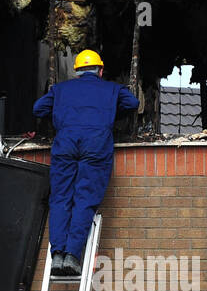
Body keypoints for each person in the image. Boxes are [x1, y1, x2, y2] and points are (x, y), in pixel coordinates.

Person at [32, 50, 139, 277]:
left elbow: (38, 109)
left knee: (60, 198)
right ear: (100, 71)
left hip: (66, 143)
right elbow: (133, 103)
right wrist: (107, 112)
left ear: (77, 71)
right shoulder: (112, 89)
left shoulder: (60, 90)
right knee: (85, 198)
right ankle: (72, 255)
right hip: (96, 145)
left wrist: (64, 115)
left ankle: (57, 255)